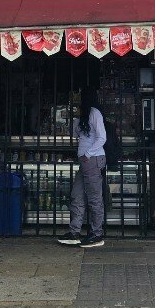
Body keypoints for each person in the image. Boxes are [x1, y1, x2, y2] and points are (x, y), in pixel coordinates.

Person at [57, 88, 106, 248]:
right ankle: (74, 232)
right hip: (85, 161)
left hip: (93, 159)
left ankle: (97, 233)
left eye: (79, 97)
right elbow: (75, 134)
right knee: (77, 195)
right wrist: (74, 117)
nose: (76, 100)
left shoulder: (95, 113)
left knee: (94, 198)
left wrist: (88, 154)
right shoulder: (83, 115)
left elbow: (102, 137)